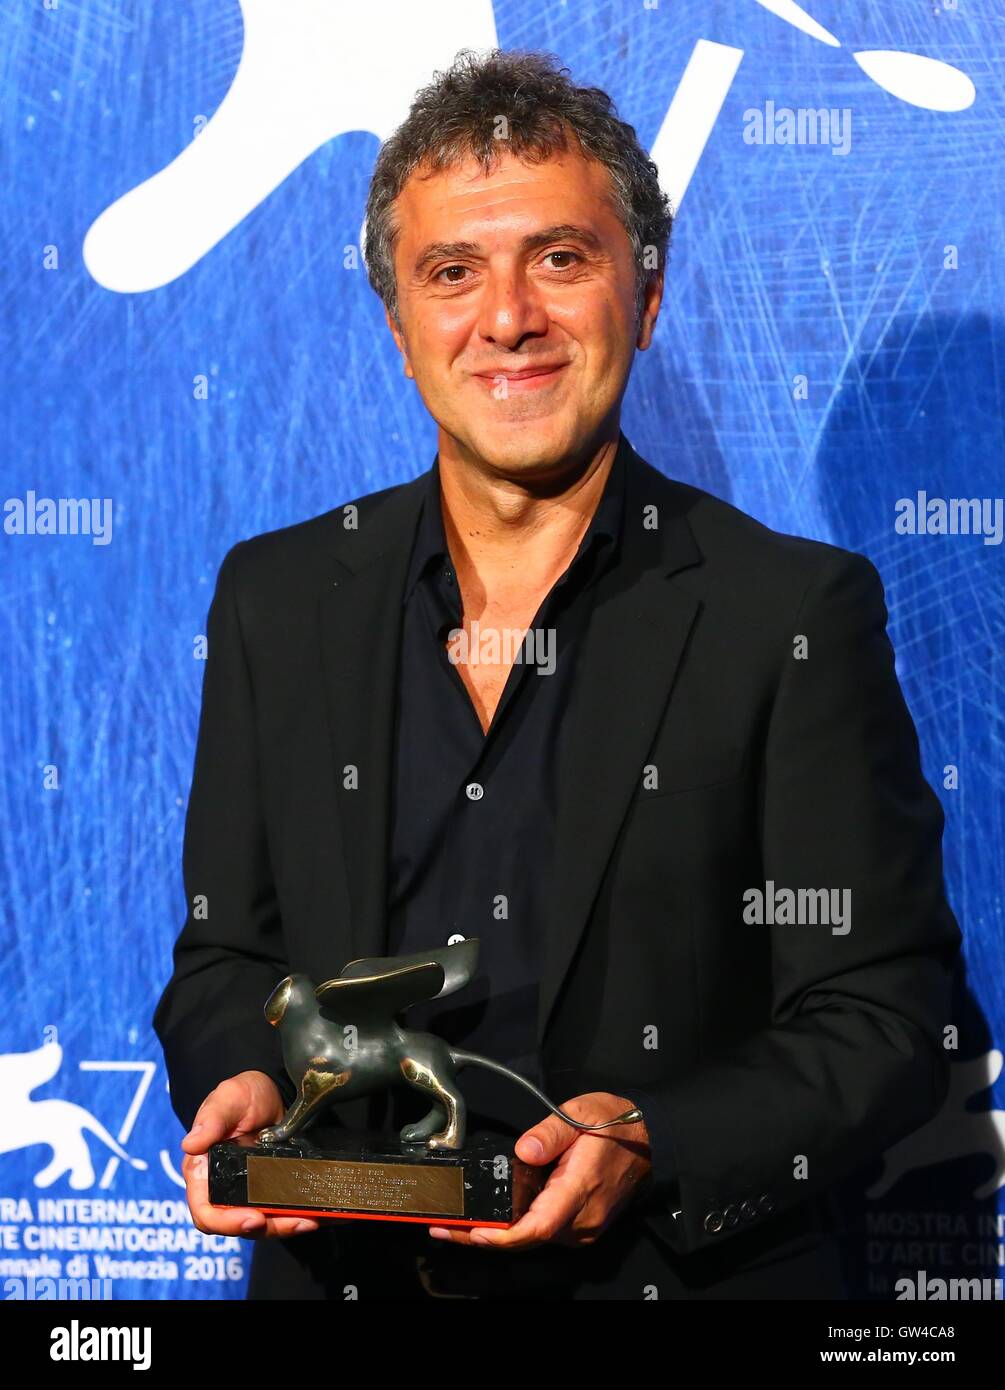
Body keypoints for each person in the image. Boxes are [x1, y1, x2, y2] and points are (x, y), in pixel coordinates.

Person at [153, 48, 961, 1300]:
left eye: (561, 259)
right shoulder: (276, 599)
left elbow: (887, 1018)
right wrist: (247, 1079)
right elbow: (222, 964)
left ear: (644, 296)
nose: (510, 317)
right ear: (401, 327)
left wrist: (654, 1137)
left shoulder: (789, 613)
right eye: (453, 272)